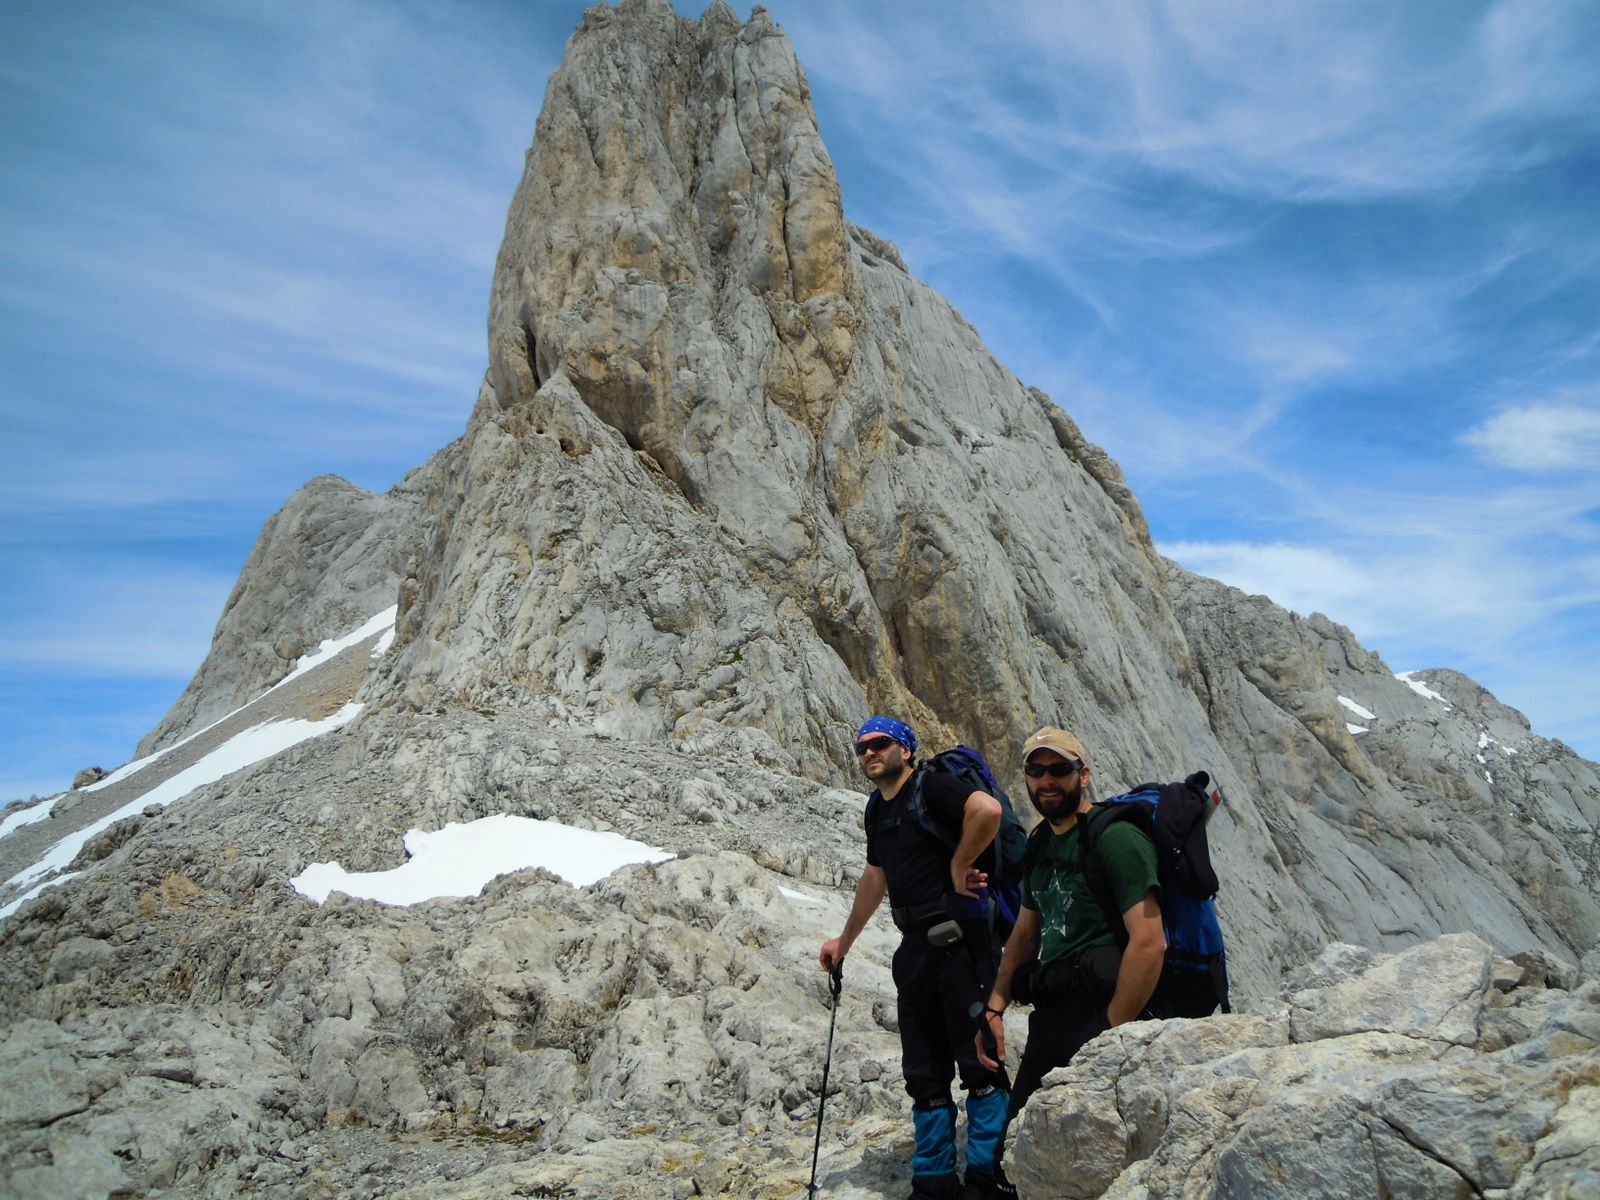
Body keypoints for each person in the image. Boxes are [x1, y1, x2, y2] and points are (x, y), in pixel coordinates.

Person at [820, 716, 1017, 1200]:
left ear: (905, 750)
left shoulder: (932, 787)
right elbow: (874, 878)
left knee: (980, 1063)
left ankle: (987, 1177)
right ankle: (933, 1181)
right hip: (915, 951)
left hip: (962, 947)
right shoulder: (876, 809)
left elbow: (987, 811)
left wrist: (959, 864)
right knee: (924, 1069)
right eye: (862, 747)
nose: (869, 753)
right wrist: (843, 943)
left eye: (880, 744)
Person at [975, 727, 1165, 1131]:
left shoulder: (1116, 839)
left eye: (1059, 769)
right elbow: (1025, 936)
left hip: (1108, 1017)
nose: (1046, 780)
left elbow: (1149, 943)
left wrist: (1112, 1031)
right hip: (1054, 1017)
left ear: (1084, 774)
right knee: (1016, 1144)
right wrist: (994, 1007)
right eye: (1035, 769)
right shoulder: (1040, 843)